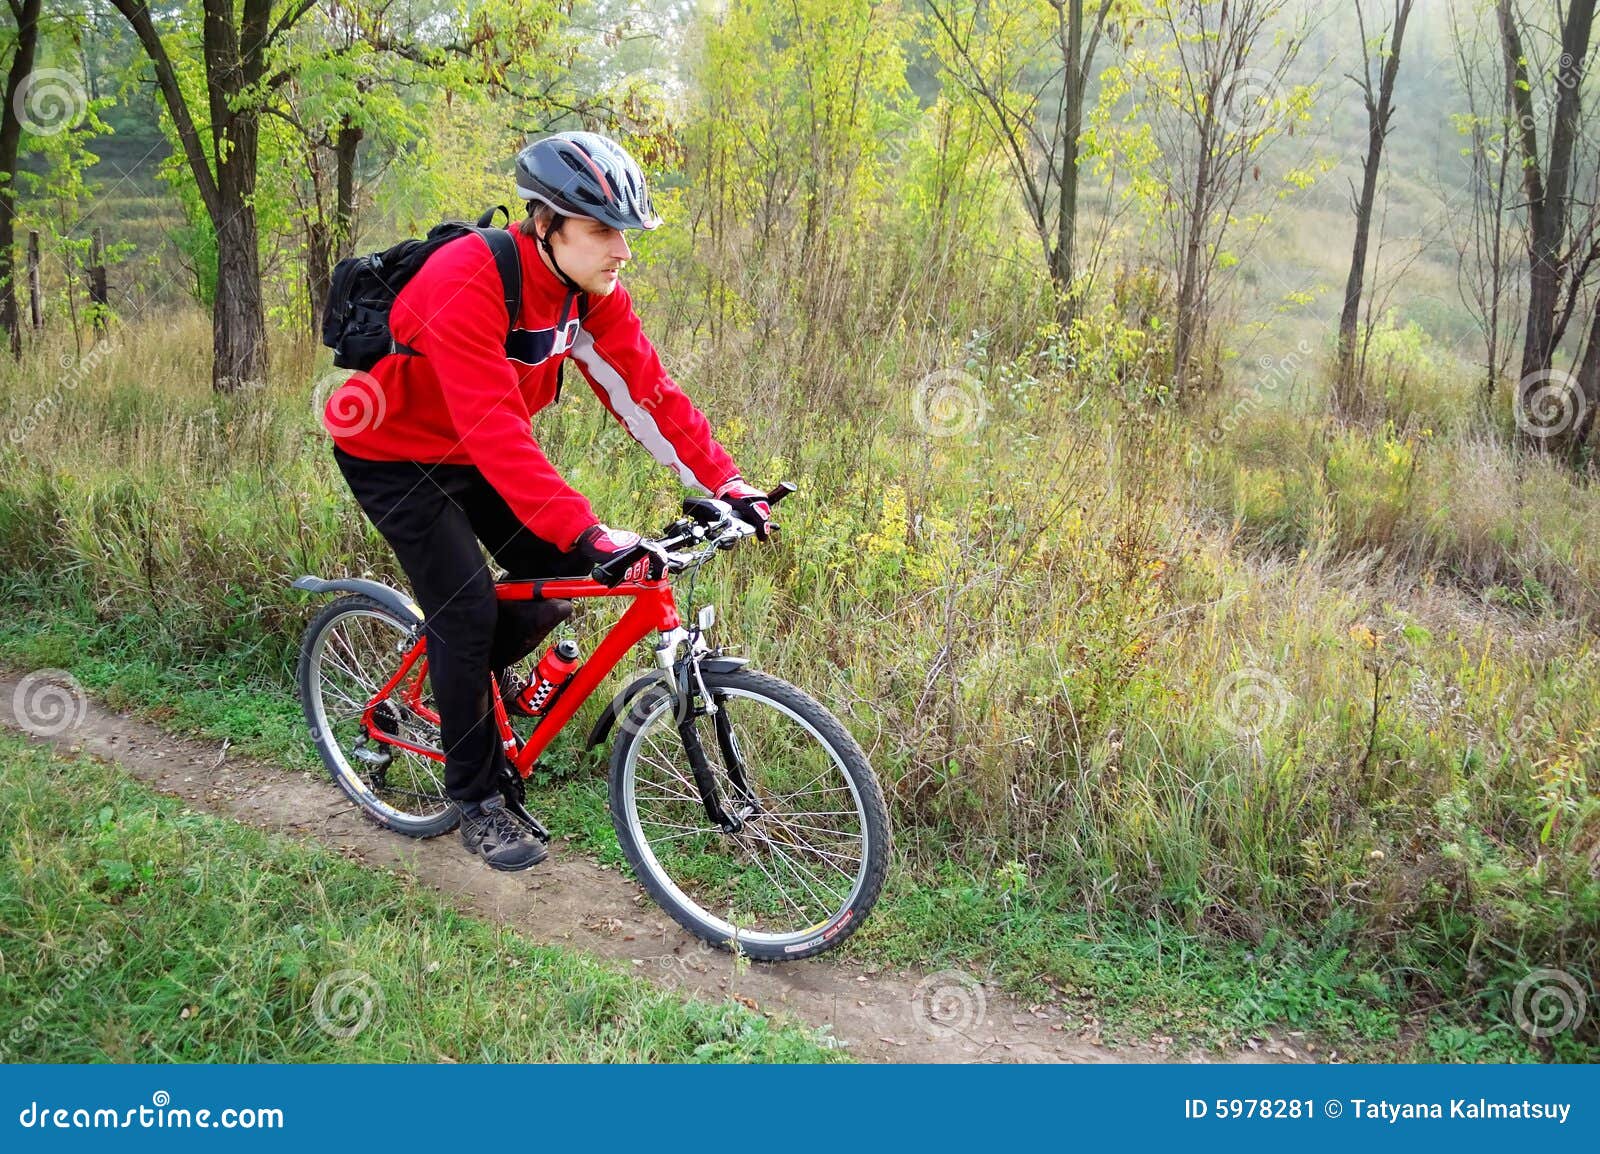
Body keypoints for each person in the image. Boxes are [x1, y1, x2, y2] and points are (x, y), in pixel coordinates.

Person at [321, 131, 777, 872]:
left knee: (555, 589)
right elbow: (498, 430)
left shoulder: (588, 290)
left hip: (477, 453)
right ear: (544, 223)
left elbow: (649, 394)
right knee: (468, 611)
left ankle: (455, 681)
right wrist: (589, 529)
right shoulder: (465, 279)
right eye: (601, 231)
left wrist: (725, 482)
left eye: (625, 233)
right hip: (394, 452)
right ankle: (477, 799)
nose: (620, 251)